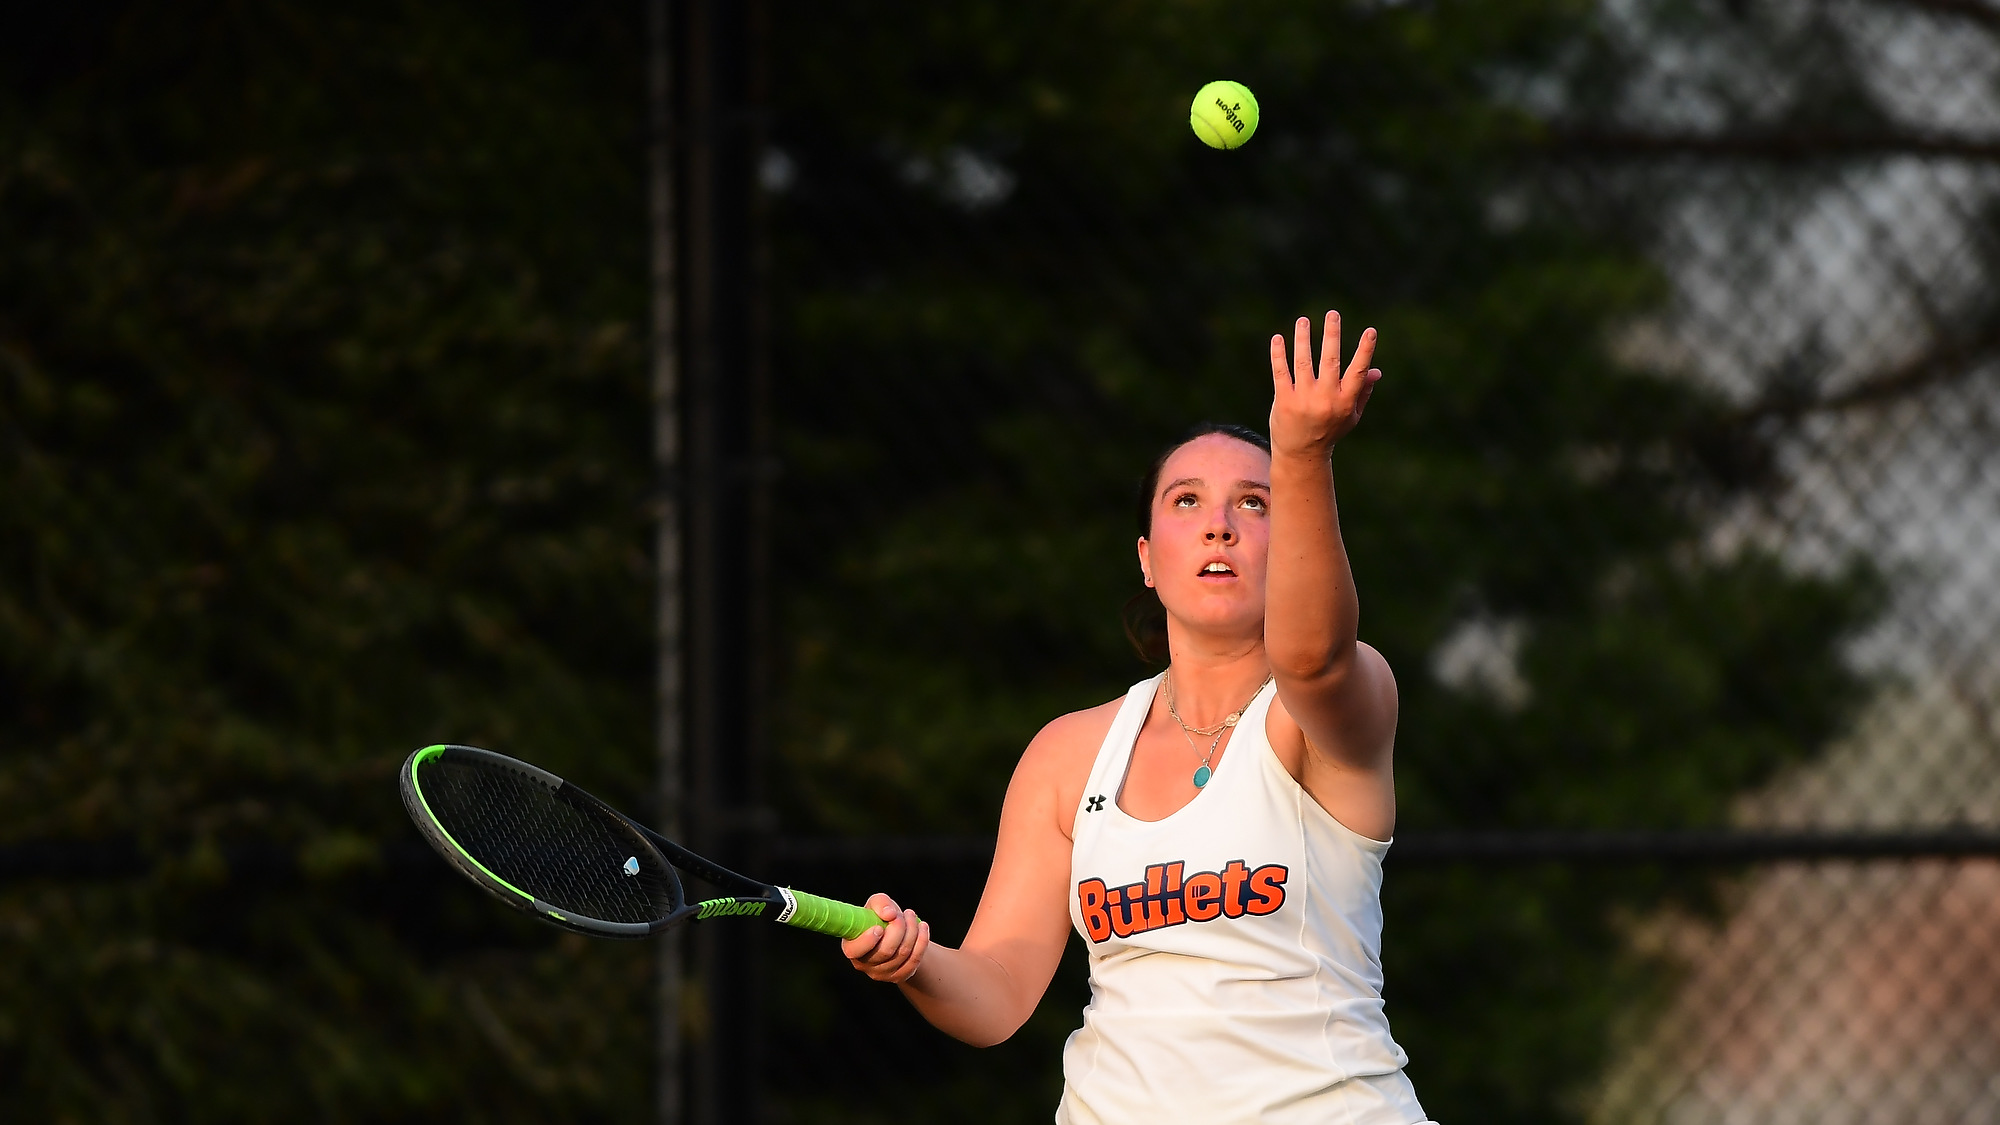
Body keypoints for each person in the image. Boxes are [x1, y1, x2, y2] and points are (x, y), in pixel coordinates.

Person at [841, 312, 1432, 1125]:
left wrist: (1303, 453)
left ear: (1294, 536)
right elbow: (998, 992)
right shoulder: (1068, 753)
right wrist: (914, 959)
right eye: (1187, 500)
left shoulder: (1334, 704)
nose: (1220, 523)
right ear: (1148, 558)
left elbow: (1310, 658)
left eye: (1255, 503)